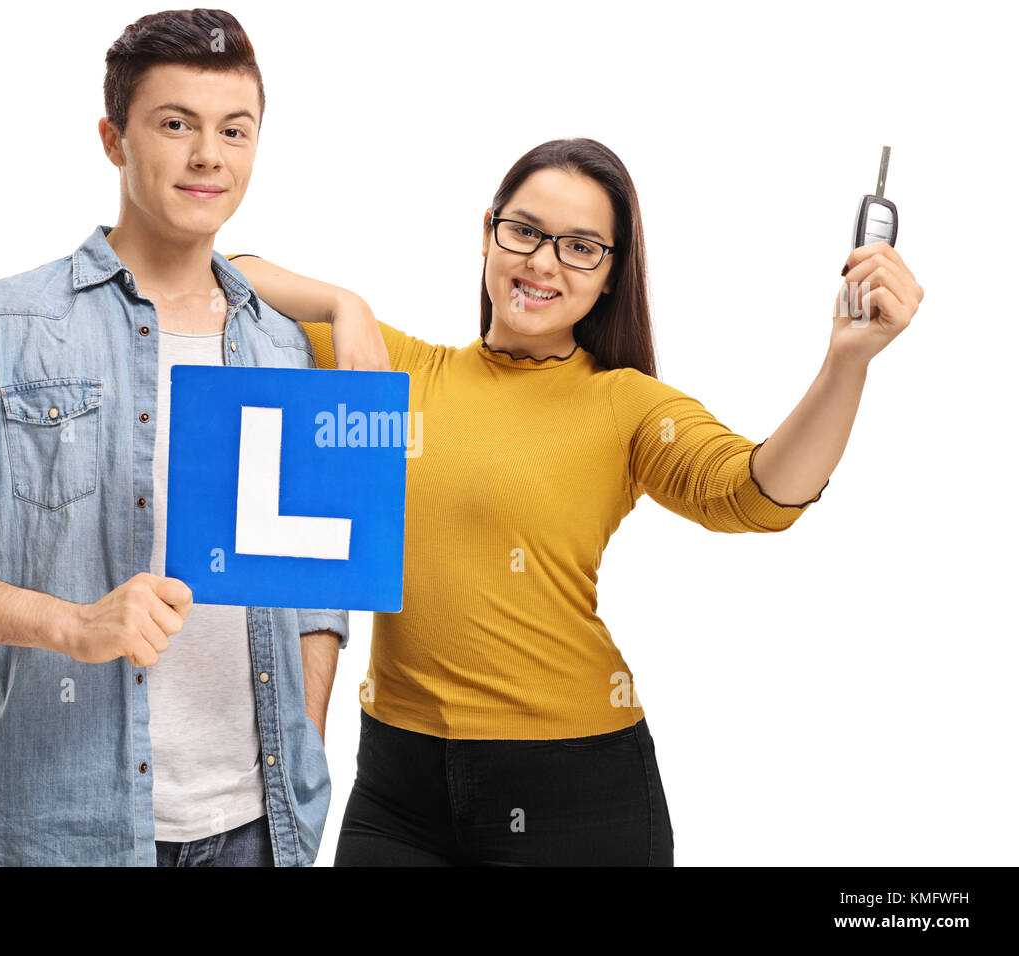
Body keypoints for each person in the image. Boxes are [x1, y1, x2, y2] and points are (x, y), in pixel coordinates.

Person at [227, 136, 924, 865]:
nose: (543, 262)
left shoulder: (622, 405)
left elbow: (760, 493)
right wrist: (345, 302)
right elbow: (233, 276)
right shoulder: (393, 368)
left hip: (574, 788)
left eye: (581, 247)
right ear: (488, 232)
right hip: (396, 783)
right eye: (524, 232)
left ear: (612, 273)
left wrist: (846, 363)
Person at [0, 9, 365, 867]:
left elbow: (316, 582)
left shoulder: (285, 345)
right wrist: (71, 625)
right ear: (113, 138)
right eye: (176, 124)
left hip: (257, 834)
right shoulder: (7, 324)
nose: (209, 155)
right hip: (63, 836)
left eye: (234, 130)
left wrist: (306, 744)